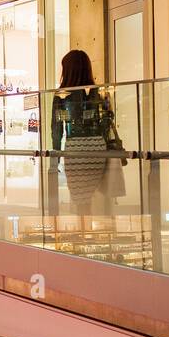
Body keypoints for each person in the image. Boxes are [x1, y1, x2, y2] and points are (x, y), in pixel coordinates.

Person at [49, 49, 124, 221]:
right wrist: (103, 144)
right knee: (97, 194)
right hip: (98, 147)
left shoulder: (62, 95)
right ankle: (97, 229)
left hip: (75, 148)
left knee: (80, 198)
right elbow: (107, 119)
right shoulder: (100, 92)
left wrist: (55, 155)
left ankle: (83, 230)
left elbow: (57, 128)